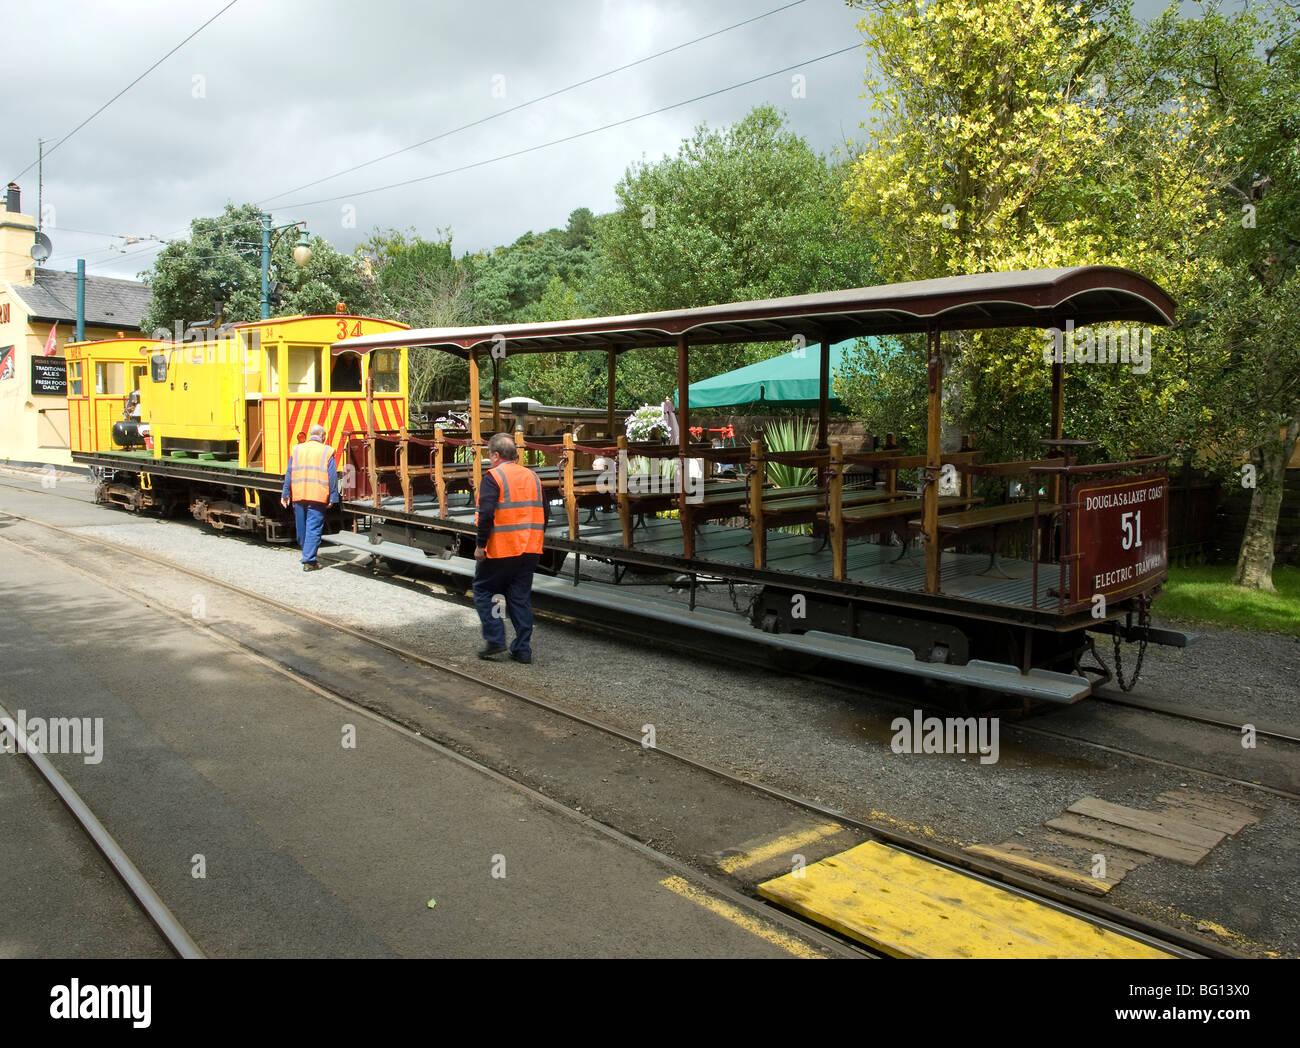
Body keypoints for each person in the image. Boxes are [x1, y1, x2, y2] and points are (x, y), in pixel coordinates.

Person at [473, 433, 546, 663]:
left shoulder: (494, 477)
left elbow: (486, 514)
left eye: (489, 455)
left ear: (495, 455)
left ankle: (495, 639)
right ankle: (523, 649)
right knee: (519, 598)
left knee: (486, 591)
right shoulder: (532, 476)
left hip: (502, 549)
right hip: (530, 549)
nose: (489, 460)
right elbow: (546, 513)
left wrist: (480, 545)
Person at [281, 424, 339, 571]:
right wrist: (333, 496)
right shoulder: (327, 451)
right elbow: (332, 476)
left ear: (310, 434)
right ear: (323, 436)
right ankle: (308, 560)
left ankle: (307, 554)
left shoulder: (297, 449)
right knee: (313, 528)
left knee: (302, 527)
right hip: (317, 495)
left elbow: (289, 472)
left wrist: (285, 493)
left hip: (299, 494)